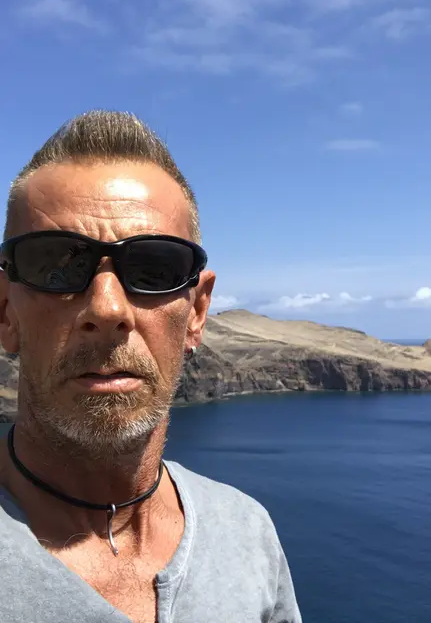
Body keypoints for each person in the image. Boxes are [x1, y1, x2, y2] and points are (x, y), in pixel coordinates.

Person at [0, 111, 302, 623]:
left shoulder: (248, 532)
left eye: (155, 269)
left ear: (196, 313)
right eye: (55, 266)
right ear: (5, 311)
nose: (107, 309)